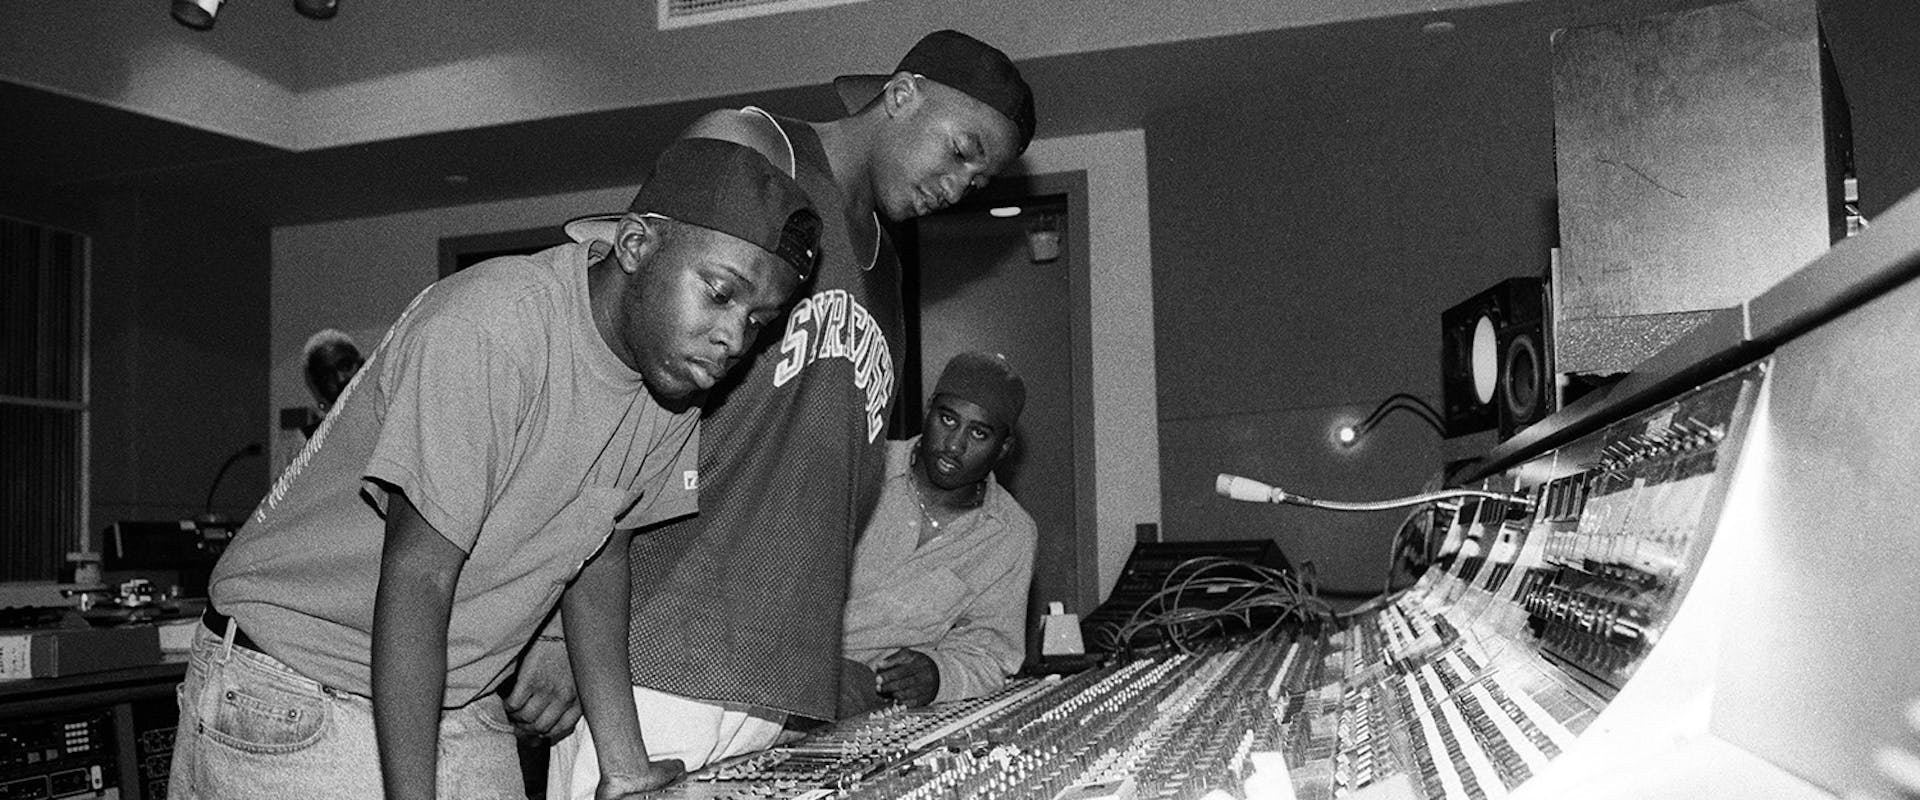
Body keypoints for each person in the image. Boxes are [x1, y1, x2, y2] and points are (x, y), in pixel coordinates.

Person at [167, 138, 820, 800]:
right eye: (718, 294)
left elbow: (601, 557)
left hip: (456, 691)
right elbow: (420, 577)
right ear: (635, 245)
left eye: (758, 321)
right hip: (296, 681)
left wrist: (625, 764)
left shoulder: (673, 379)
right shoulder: (491, 327)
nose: (733, 338)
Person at [535, 28, 1037, 798]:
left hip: (779, 690)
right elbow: (600, 369)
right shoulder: (756, 149)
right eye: (963, 149)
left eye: (982, 175)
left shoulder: (891, 276)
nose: (964, 182)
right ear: (902, 94)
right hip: (657, 653)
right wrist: (557, 618)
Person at [839, 351, 1037, 715]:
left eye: (978, 433)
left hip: (876, 700)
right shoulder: (860, 468)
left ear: (1003, 448)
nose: (954, 444)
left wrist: (938, 674)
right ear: (928, 411)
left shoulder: (1011, 535)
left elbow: (990, 654)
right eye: (947, 419)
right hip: (786, 673)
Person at [299, 328, 363, 437]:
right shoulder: (311, 441)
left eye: (345, 366)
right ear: (318, 388)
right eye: (327, 375)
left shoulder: (394, 415)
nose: (340, 379)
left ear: (362, 364)